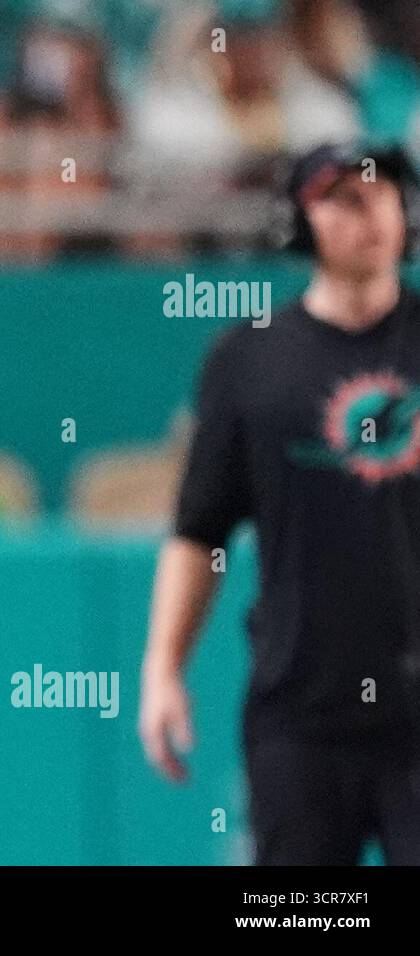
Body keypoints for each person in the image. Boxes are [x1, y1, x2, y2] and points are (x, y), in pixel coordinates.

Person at [140, 142, 420, 865]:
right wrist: (163, 668)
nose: (370, 214)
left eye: (384, 194)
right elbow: (199, 530)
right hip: (300, 710)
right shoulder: (248, 360)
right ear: (300, 220)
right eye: (345, 199)